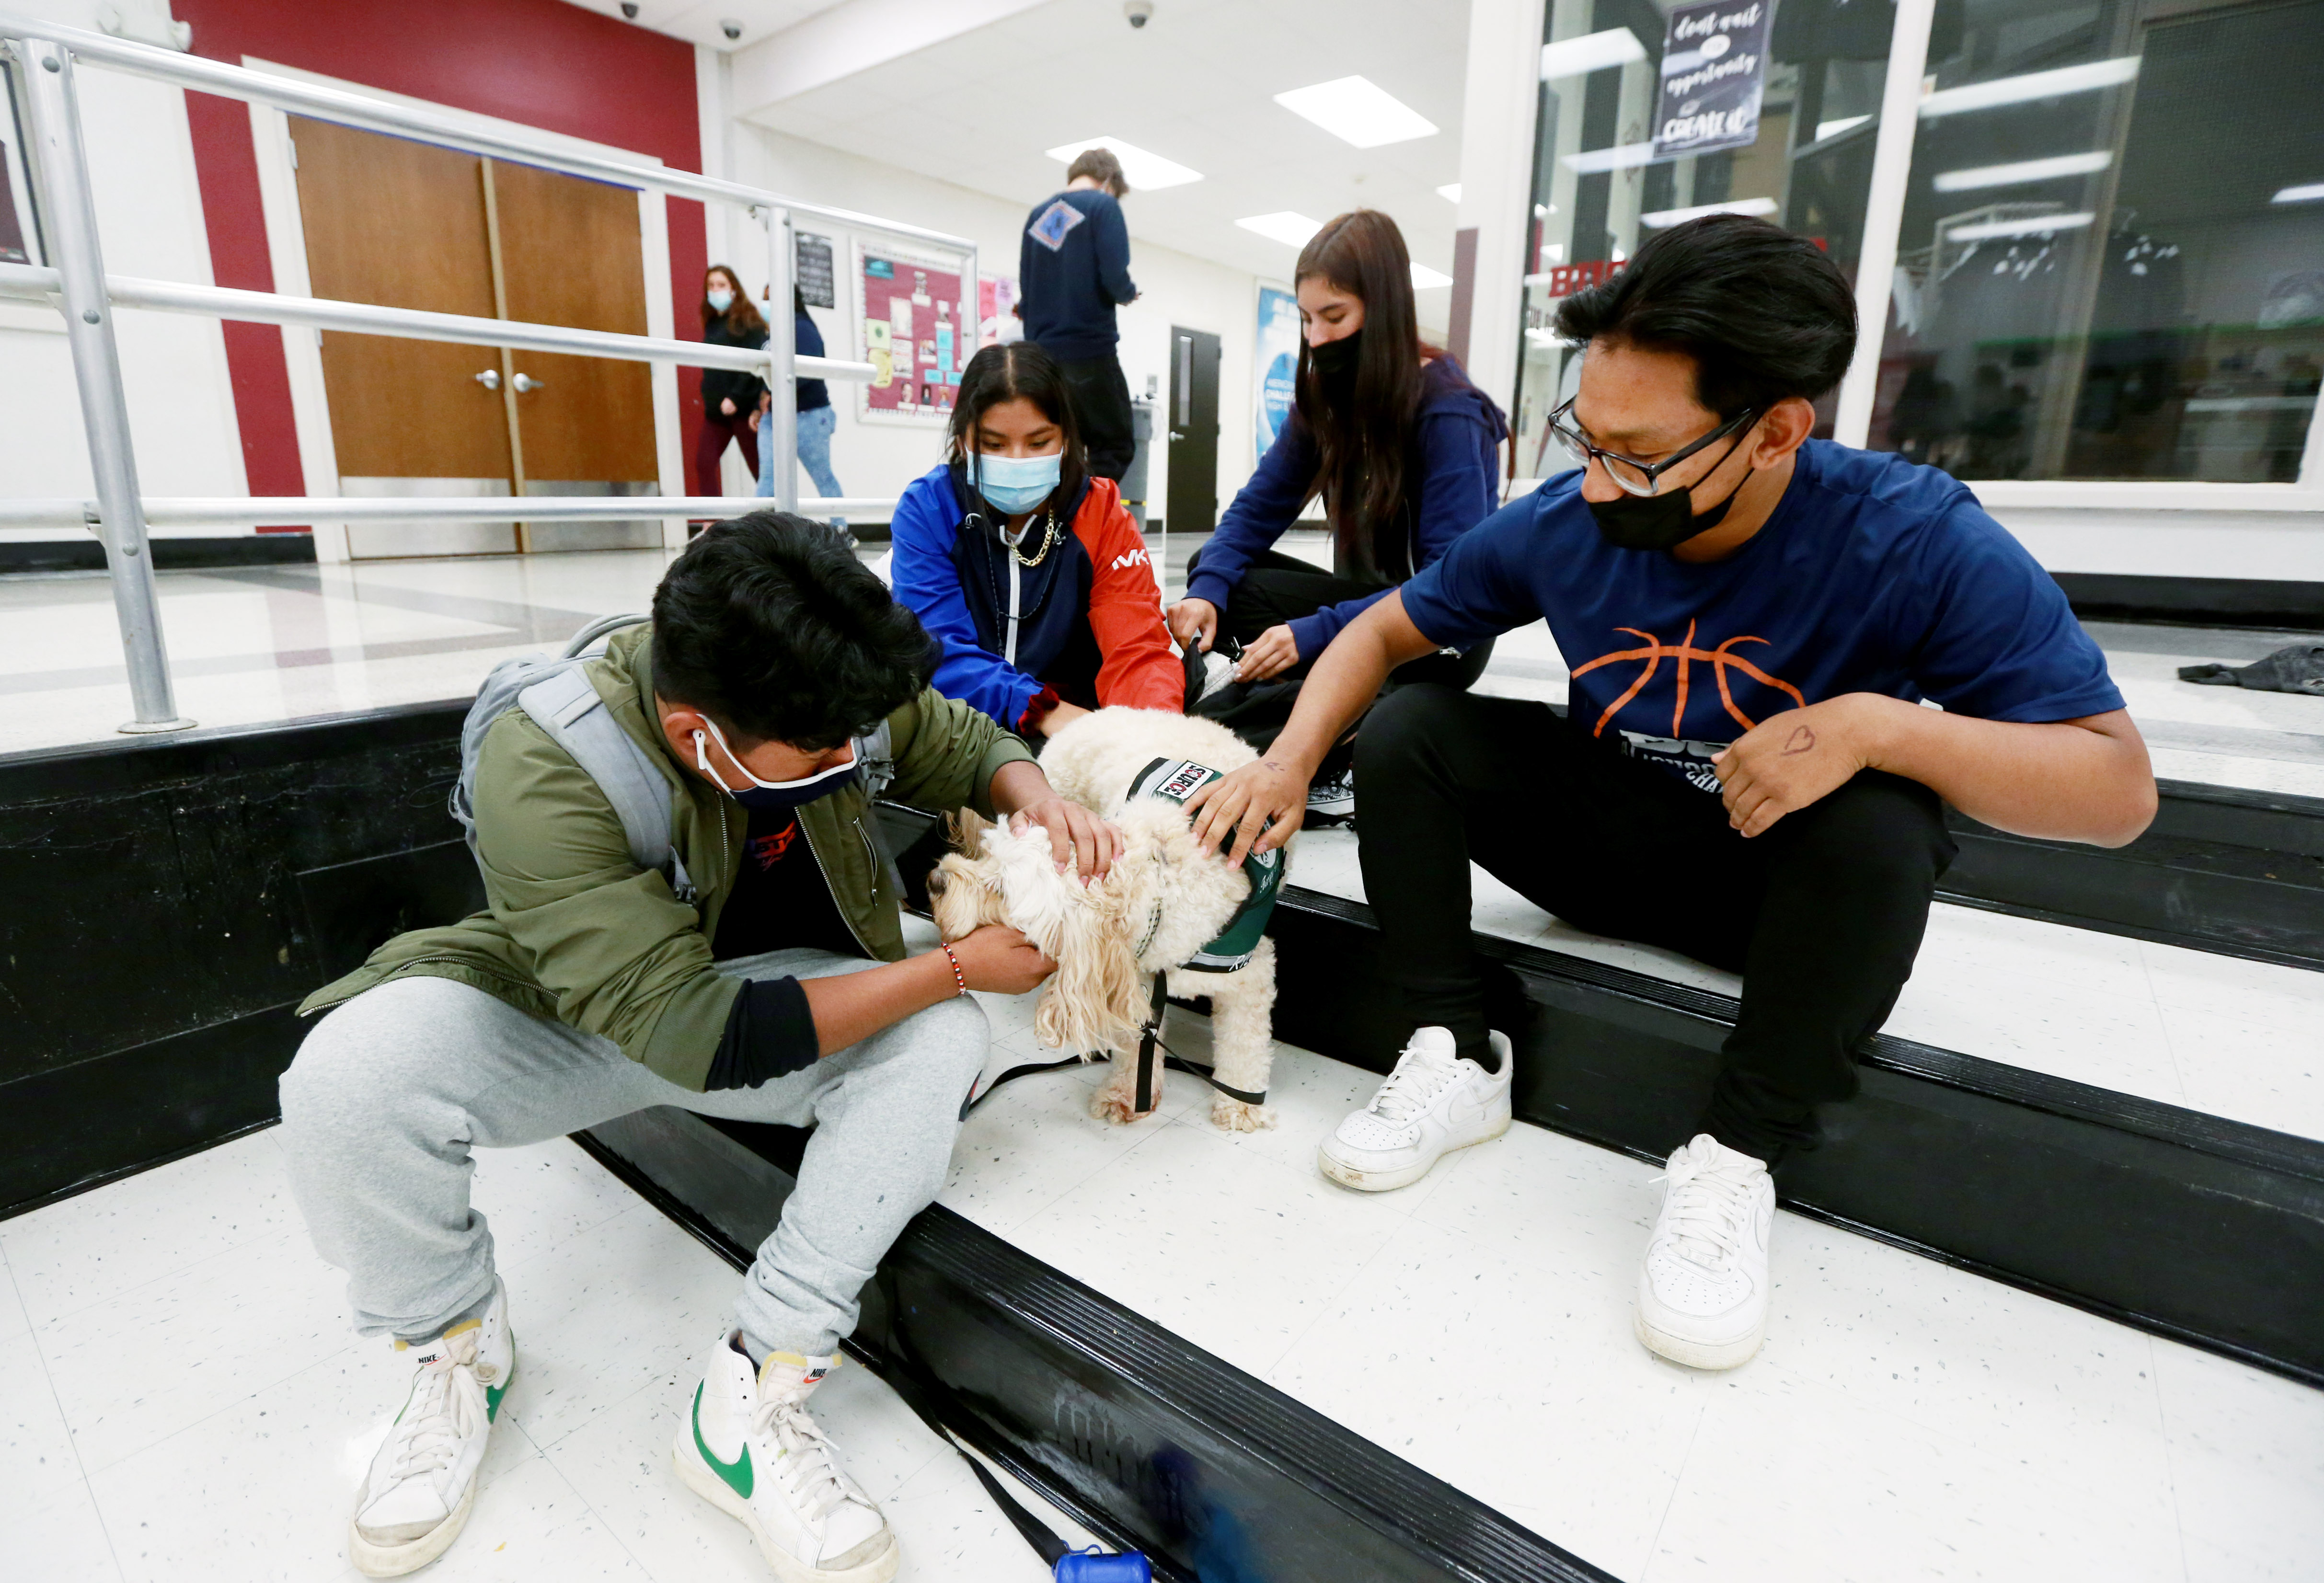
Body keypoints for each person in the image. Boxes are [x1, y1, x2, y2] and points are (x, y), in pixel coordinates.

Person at [1182, 214, 2155, 1373]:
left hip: (1777, 893)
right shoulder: (1566, 515)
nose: (1597, 488)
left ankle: (1734, 1156)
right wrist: (1287, 760)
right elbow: (1381, 631)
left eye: (1636, 457)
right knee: (1410, 727)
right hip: (1605, 847)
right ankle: (1457, 1047)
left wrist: (1877, 726)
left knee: (1883, 818)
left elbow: (2115, 791)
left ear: (1773, 431)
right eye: (1581, 440)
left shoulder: (1910, 536)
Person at [278, 515, 1121, 1579]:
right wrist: (954, 964)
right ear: (695, 734)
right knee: (347, 1079)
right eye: (819, 754)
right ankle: (455, 1346)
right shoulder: (546, 756)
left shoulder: (822, 682)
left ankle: (756, 1389)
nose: (845, 757)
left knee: (936, 1042)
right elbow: (684, 1031)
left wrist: (1038, 796)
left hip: (788, 983)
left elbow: (954, 738)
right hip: (596, 1010)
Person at [1164, 209, 1507, 820]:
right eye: (1305, 319)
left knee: (1345, 672)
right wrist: (1205, 592)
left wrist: (1316, 630)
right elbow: (1255, 510)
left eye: (1334, 316)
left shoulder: (1448, 411)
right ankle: (1323, 720)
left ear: (1383, 310)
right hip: (1364, 607)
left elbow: (1450, 590)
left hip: (1437, 636)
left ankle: (1328, 728)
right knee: (1216, 571)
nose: (1317, 338)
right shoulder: (1326, 401)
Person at [889, 341, 1182, 739]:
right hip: (963, 727)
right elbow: (939, 652)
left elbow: (1136, 647)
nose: (1017, 460)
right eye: (994, 444)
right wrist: (1041, 709)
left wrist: (1156, 734)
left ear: (1065, 441)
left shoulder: (1103, 513)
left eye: (1039, 442)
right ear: (962, 441)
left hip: (1080, 722)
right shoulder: (929, 509)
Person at [1018, 147, 1139, 481]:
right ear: (1109, 181)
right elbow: (1114, 275)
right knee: (1114, 446)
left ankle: (1053, 526)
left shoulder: (1037, 215)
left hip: (1042, 358)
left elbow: (1026, 290)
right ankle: (1084, 524)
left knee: (1060, 447)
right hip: (1089, 350)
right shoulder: (1103, 205)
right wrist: (1128, 294)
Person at [757, 285, 852, 539]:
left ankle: (841, 532)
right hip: (777, 417)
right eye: (764, 298)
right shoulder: (771, 333)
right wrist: (763, 398)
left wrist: (774, 392)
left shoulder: (801, 327)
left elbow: (804, 372)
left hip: (809, 415)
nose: (766, 304)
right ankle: (758, 537)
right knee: (767, 480)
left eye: (771, 298)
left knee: (823, 477)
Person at [695, 264, 767, 496]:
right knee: (704, 463)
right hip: (716, 411)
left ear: (734, 288)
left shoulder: (749, 320)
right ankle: (712, 522)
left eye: (721, 285)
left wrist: (736, 397)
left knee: (760, 471)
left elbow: (756, 365)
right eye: (711, 286)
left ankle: (778, 525)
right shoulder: (713, 322)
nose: (716, 291)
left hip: (743, 409)